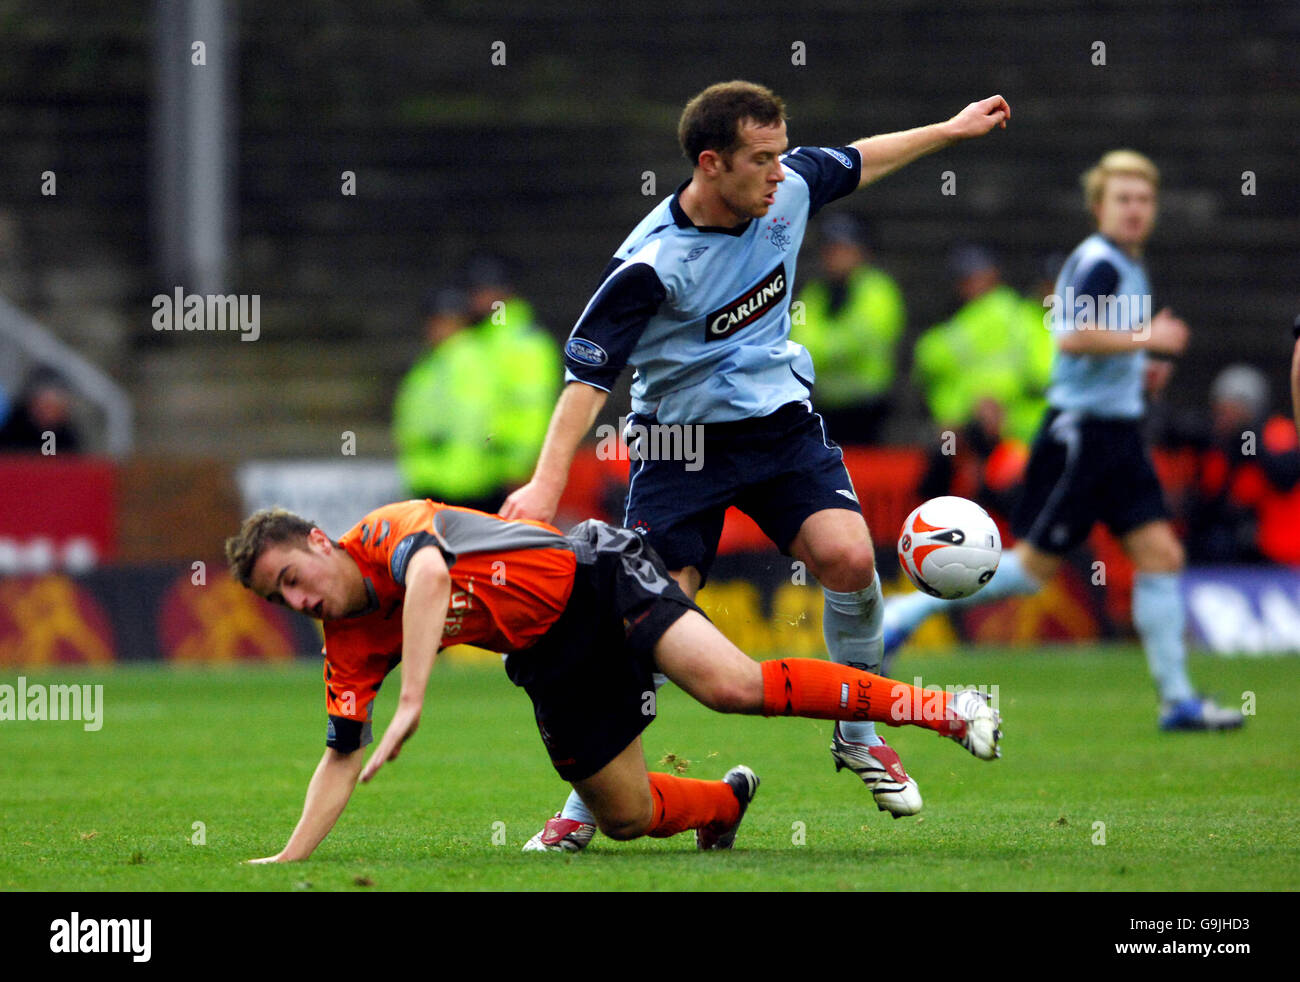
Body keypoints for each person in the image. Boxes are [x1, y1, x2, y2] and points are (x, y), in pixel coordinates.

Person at [498, 79, 1011, 847]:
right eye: (762, 159)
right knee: (652, 619)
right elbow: (588, 376)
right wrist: (544, 484)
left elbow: (858, 162)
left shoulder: (790, 187)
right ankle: (584, 810)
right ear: (712, 164)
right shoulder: (649, 264)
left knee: (845, 557)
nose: (782, 172)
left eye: (781, 153)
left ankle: (858, 734)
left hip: (779, 427)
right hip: (681, 450)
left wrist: (949, 127)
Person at [224, 501, 1001, 862]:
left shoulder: (386, 532)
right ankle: (726, 803)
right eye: (277, 599)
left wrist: (417, 698)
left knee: (731, 684)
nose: (297, 602)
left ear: (321, 542)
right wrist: (287, 862)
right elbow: (339, 752)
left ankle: (940, 709)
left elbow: (429, 576)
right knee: (626, 817)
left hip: (598, 578)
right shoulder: (346, 644)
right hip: (551, 659)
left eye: (292, 578)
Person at [882, 150, 1245, 732]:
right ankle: (906, 611)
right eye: (1122, 199)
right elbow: (1073, 337)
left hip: (1117, 433)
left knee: (1162, 556)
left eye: (1143, 199)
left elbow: (1102, 343)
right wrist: (1147, 336)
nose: (1134, 209)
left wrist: (1142, 367)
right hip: (1081, 434)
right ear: (1099, 207)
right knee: (1030, 570)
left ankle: (1178, 702)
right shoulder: (1100, 261)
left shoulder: (1126, 264)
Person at [392, 260, 560, 514]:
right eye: (475, 293)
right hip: (463, 473)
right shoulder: (477, 339)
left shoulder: (523, 343)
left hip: (496, 474)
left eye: (485, 292)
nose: (477, 300)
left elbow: (532, 409)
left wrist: (520, 466)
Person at [912, 244, 1054, 446]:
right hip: (957, 419)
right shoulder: (959, 314)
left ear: (993, 274)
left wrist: (994, 397)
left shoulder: (1009, 313)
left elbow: (1035, 370)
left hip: (1002, 422)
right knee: (944, 456)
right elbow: (928, 359)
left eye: (976, 276)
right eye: (965, 278)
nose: (971, 284)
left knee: (966, 459)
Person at [790, 213, 906, 444]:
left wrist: (821, 348)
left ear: (862, 251)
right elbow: (798, 344)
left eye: (844, 248)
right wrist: (829, 345)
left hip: (868, 408)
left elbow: (863, 338)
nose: (835, 255)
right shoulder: (813, 294)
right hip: (824, 406)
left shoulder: (879, 290)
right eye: (830, 248)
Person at [1186, 364, 1300, 565]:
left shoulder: (1277, 432)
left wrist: (1250, 442)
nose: (1224, 417)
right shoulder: (1219, 443)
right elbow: (1211, 501)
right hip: (1235, 544)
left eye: (1232, 409)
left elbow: (1285, 478)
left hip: (1282, 546)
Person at [0, 366, 81, 453]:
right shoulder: (11, 429)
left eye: (55, 408)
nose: (49, 414)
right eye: (46, 406)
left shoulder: (67, 439)